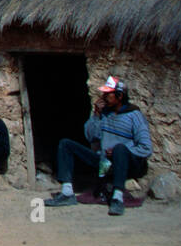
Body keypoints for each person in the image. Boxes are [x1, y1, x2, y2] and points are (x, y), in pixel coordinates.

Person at [45, 76, 150, 216]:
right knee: (66, 144)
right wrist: (96, 115)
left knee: (119, 148)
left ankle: (117, 198)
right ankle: (67, 192)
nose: (104, 97)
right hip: (104, 162)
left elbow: (146, 147)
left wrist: (121, 151)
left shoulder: (134, 115)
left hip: (127, 163)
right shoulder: (104, 114)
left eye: (108, 94)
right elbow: (91, 136)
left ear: (119, 96)